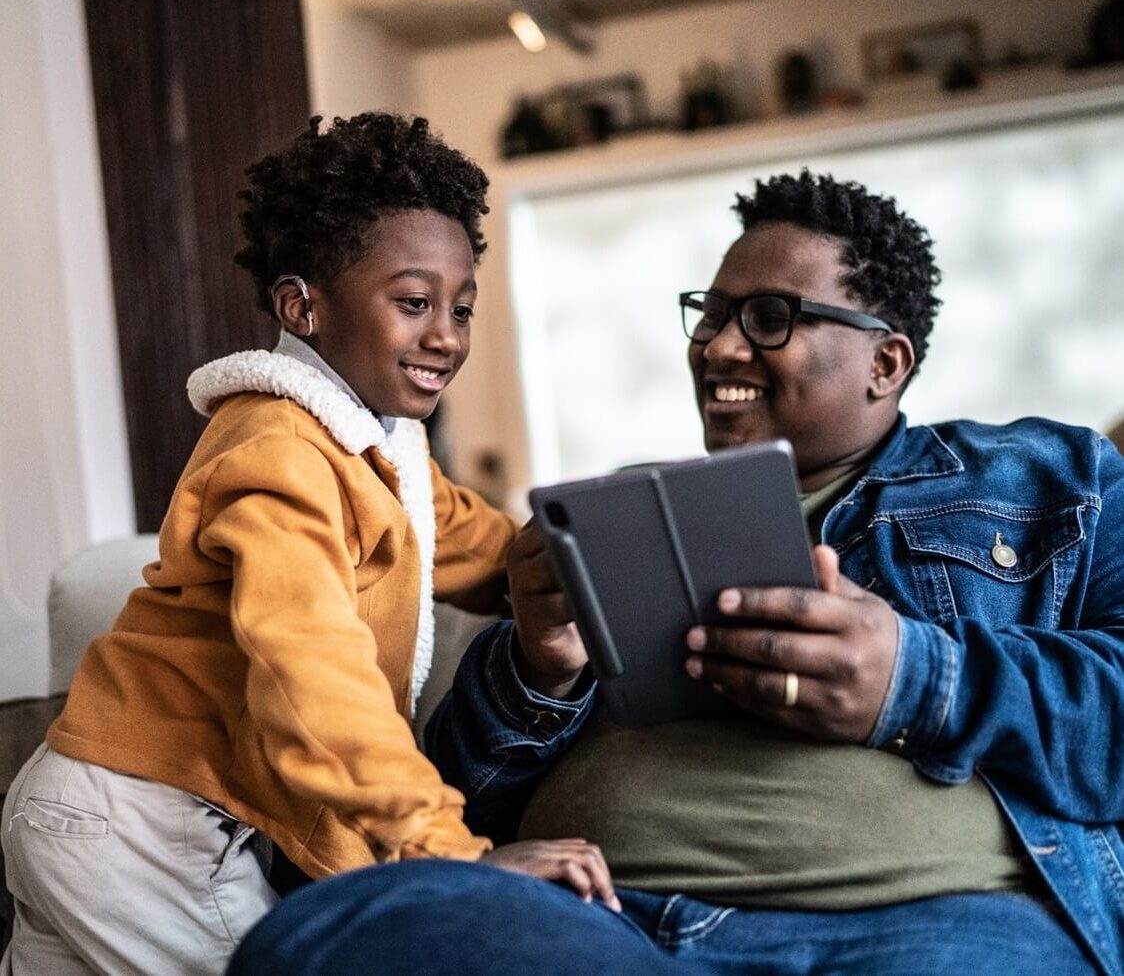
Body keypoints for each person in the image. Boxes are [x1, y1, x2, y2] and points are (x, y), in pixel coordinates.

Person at [227, 170, 1124, 975]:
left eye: (769, 318)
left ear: (886, 363)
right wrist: (538, 665)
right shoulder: (623, 509)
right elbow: (465, 794)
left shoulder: (1051, 482)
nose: (718, 347)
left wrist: (913, 677)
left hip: (929, 928)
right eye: (712, 313)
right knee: (327, 939)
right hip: (606, 924)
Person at [0, 112, 623, 976]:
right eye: (413, 303)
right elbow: (311, 670)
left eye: (461, 307)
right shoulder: (280, 454)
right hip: (140, 825)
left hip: (99, 811)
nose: (446, 333)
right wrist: (451, 857)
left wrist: (607, 561)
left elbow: (489, 549)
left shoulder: (383, 453)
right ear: (304, 305)